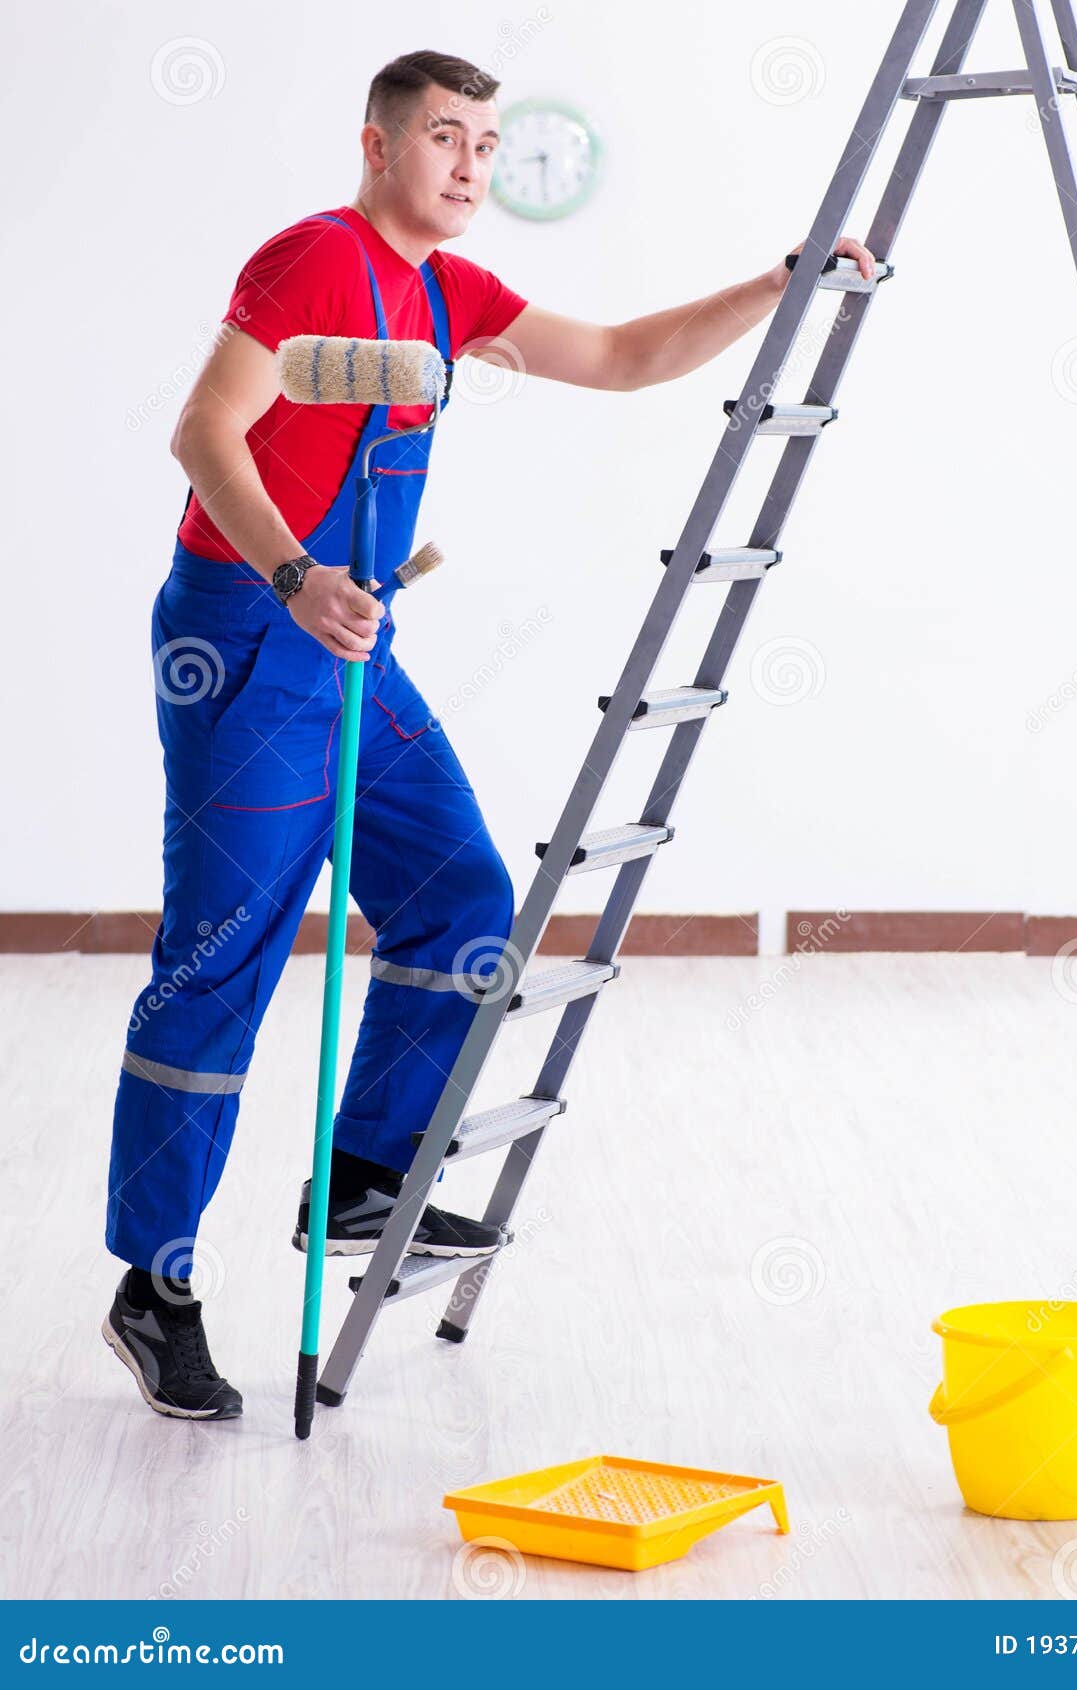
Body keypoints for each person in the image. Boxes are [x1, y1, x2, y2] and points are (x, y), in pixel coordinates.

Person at [102, 47, 877, 1420]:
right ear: (378, 144)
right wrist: (295, 574)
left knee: (461, 898)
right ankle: (153, 1290)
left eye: (483, 142)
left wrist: (780, 281)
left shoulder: (446, 291)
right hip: (247, 629)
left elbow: (626, 359)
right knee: (220, 964)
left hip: (354, 643)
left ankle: (358, 1180)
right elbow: (204, 429)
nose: (469, 164)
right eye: (446, 137)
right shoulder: (312, 261)